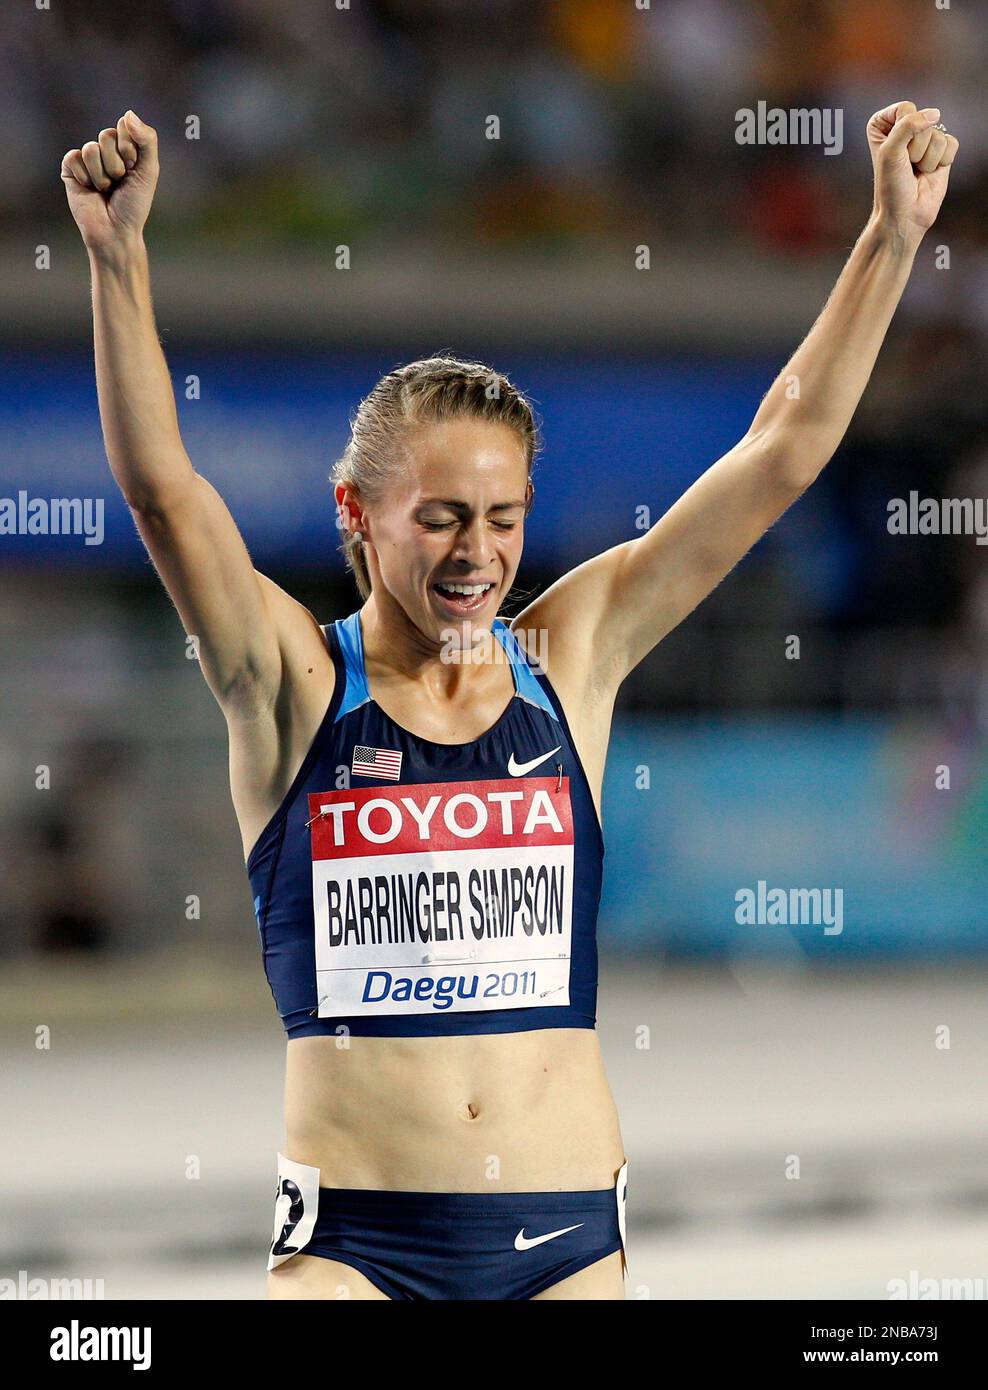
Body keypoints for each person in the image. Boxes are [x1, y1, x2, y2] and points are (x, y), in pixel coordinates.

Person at [62, 101, 957, 1300]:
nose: (476, 552)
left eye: (502, 517)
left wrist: (890, 240)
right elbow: (167, 494)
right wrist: (116, 260)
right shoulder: (291, 684)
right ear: (354, 515)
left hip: (564, 1234)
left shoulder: (571, 655)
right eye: (437, 517)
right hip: (353, 1243)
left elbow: (781, 449)